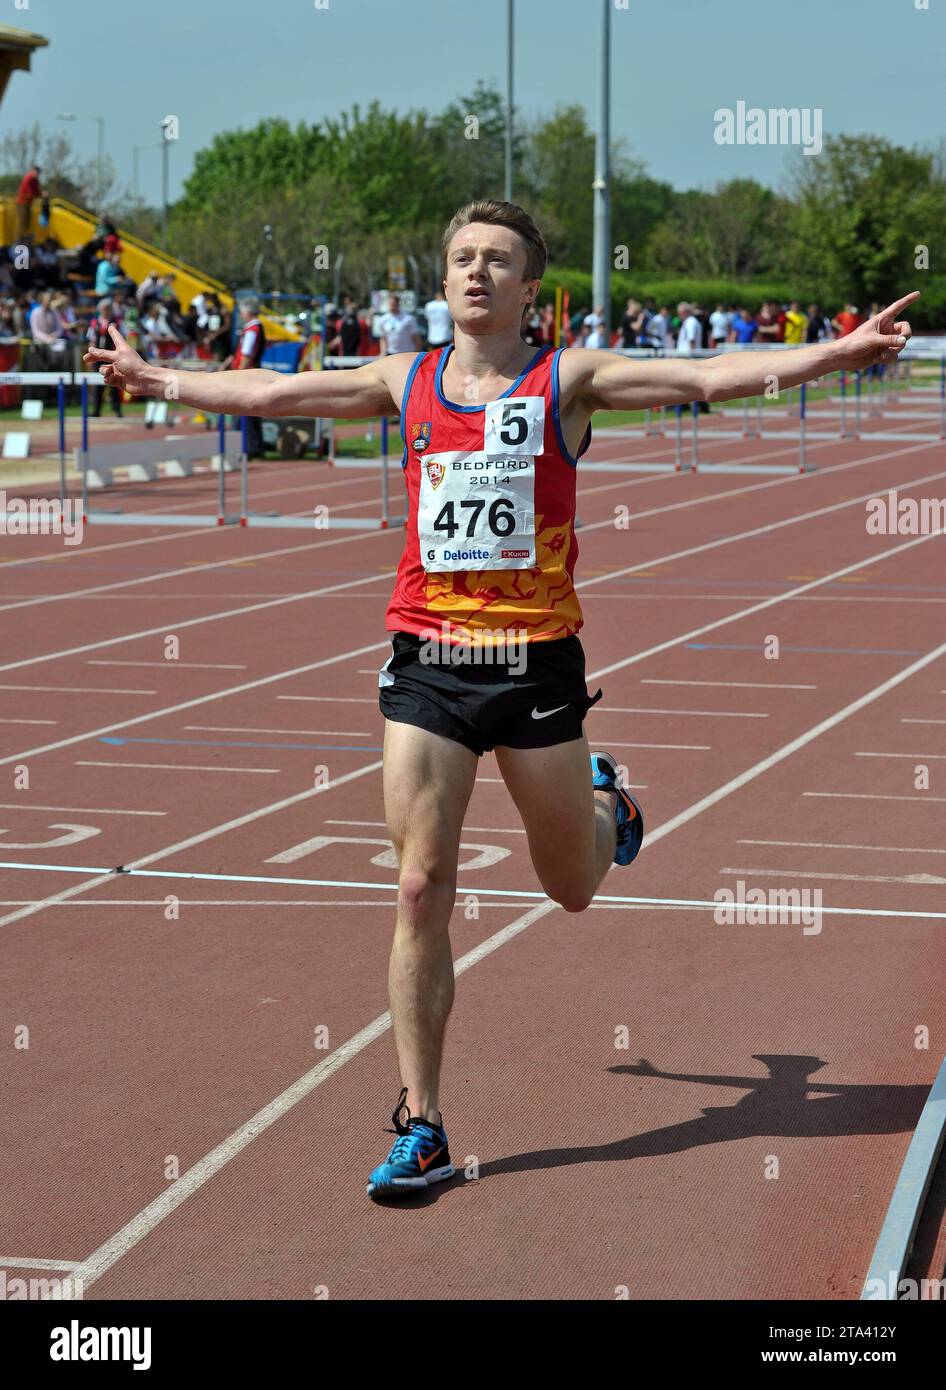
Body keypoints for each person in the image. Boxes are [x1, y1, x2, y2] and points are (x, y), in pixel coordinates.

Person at [85, 200, 917, 1200]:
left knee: (569, 885)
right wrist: (158, 379)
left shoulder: (570, 377)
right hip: (427, 662)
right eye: (462, 258)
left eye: (497, 260)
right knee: (415, 886)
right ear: (443, 281)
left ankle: (610, 809)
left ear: (530, 287)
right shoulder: (408, 379)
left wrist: (840, 352)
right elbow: (274, 391)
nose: (476, 272)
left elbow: (705, 377)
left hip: (534, 667)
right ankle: (423, 1123)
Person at [228, 296, 267, 458]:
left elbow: (246, 353)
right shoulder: (254, 328)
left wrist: (239, 374)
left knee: (242, 412)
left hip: (246, 374)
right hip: (250, 372)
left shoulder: (252, 329)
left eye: (242, 311)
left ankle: (246, 448)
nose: (241, 314)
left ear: (248, 311)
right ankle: (255, 446)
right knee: (251, 413)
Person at [15, 164, 46, 240]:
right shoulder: (28, 178)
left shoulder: (35, 180)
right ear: (32, 171)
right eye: (36, 172)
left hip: (28, 203)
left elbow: (36, 191)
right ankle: (19, 239)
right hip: (22, 203)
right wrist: (39, 194)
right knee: (23, 221)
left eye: (38, 173)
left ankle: (24, 237)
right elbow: (28, 192)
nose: (37, 174)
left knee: (27, 221)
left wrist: (41, 194)